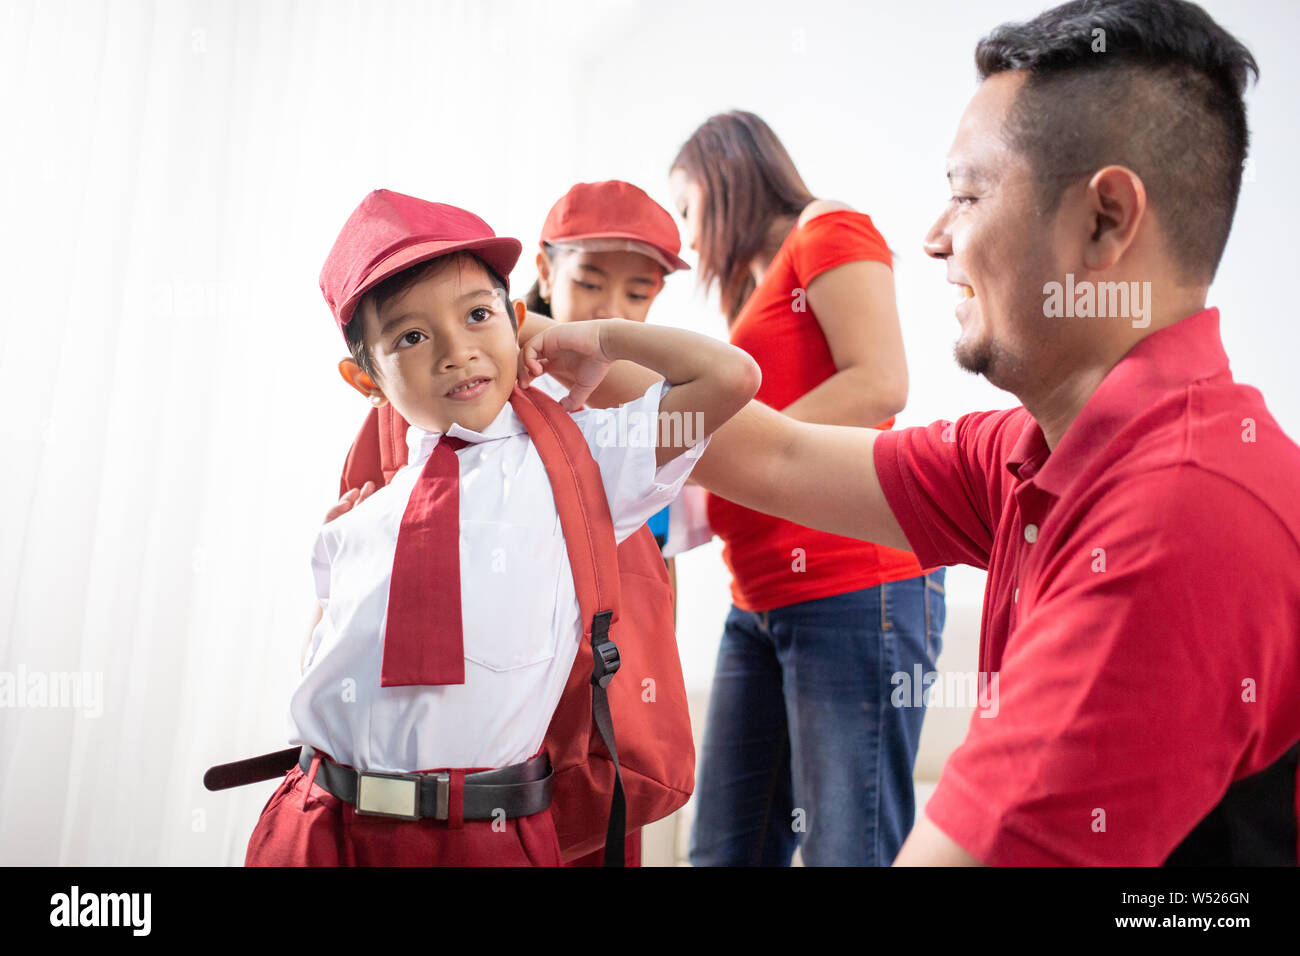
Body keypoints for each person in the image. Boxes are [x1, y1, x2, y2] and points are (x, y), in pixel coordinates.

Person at [521, 0, 1300, 866]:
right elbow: (774, 453)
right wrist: (546, 345)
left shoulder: (1182, 519)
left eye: (966, 194)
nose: (932, 239)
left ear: (1105, 220)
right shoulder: (1021, 455)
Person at [246, 189, 758, 866]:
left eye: (479, 316)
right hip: (316, 821)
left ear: (517, 321)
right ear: (363, 379)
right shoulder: (362, 515)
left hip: (481, 835)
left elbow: (728, 376)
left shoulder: (584, 460)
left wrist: (593, 338)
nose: (457, 352)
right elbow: (327, 662)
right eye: (412, 336)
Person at [668, 110, 946, 866]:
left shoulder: (827, 228)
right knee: (723, 853)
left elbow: (879, 381)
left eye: (689, 211)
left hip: (852, 583)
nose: (689, 240)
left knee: (844, 852)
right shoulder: (751, 300)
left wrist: (742, 452)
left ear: (726, 177)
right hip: (756, 599)